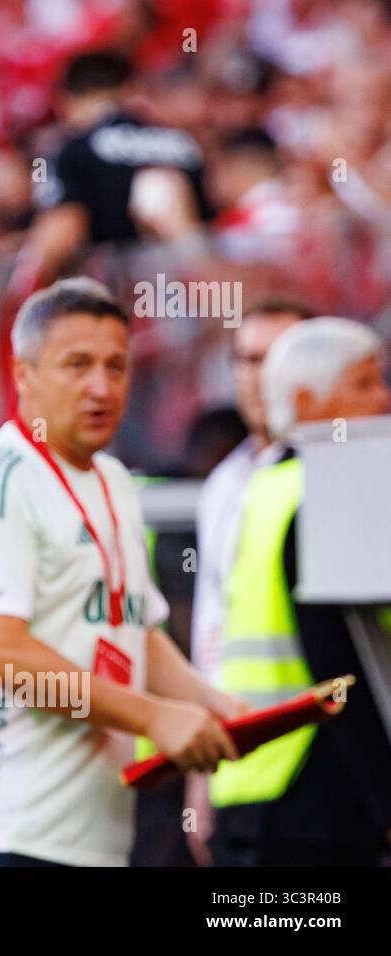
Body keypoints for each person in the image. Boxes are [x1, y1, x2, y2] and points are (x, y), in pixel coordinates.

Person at [0, 277, 246, 868]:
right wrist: (152, 715)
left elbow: (135, 630)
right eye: (78, 365)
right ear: (24, 375)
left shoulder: (115, 480)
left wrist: (214, 704)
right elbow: (1, 656)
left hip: (93, 837)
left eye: (117, 367)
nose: (102, 386)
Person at [208, 317, 391, 866]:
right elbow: (334, 660)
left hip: (255, 790)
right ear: (308, 402)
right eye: (365, 383)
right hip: (315, 798)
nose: (383, 399)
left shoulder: (265, 487)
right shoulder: (323, 493)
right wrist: (386, 802)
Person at [184, 300, 310, 862]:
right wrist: (199, 775)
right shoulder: (224, 485)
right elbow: (212, 626)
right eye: (248, 360)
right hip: (241, 765)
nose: (260, 378)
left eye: (278, 360)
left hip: (323, 762)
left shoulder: (333, 474)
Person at [28, 51, 210, 282]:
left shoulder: (69, 149)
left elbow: (63, 230)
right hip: (191, 289)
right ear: (132, 90)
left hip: (120, 295)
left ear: (65, 101)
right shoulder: (185, 143)